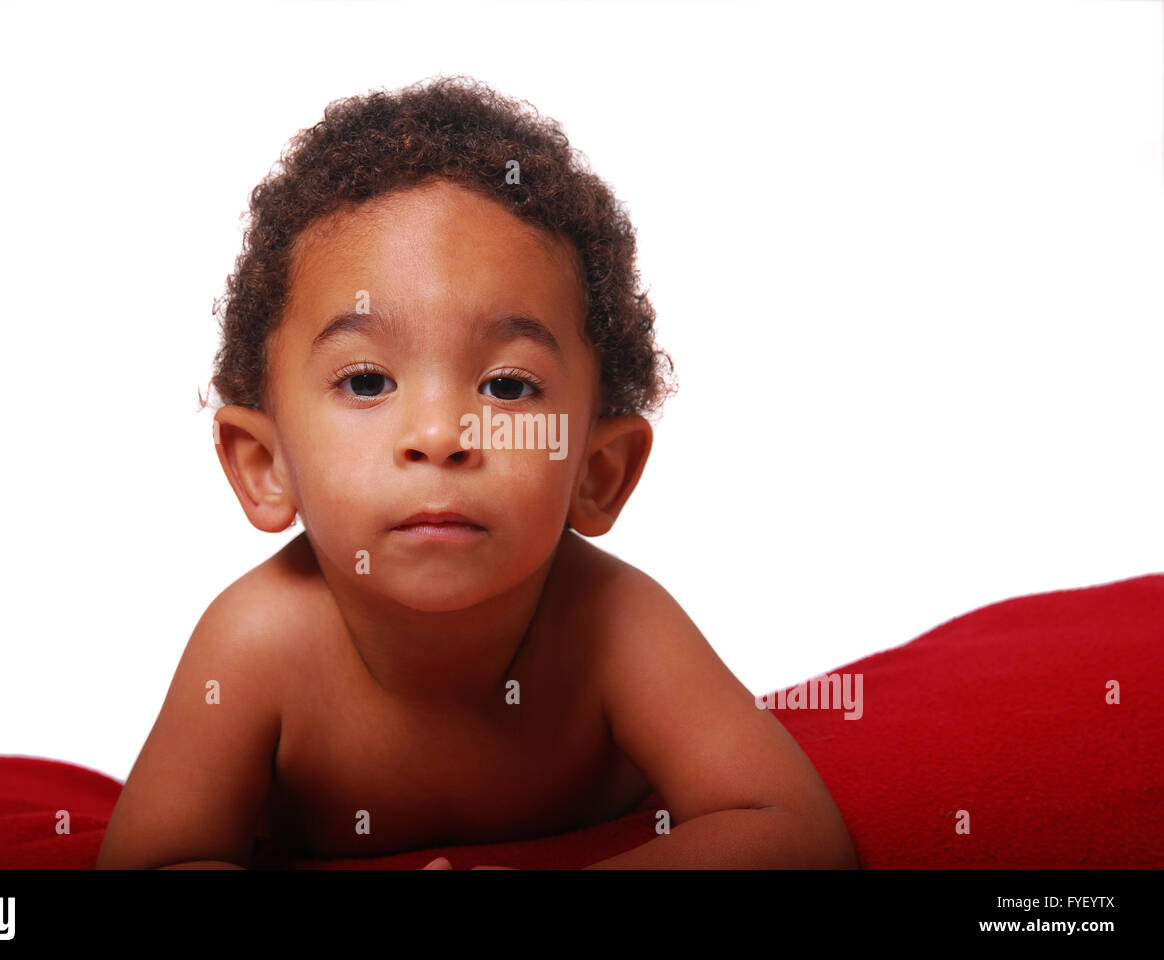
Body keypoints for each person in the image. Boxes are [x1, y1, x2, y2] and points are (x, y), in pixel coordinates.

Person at [96, 76, 856, 870]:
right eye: (366, 382)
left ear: (598, 470)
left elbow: (790, 830)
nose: (440, 436)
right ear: (265, 464)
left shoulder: (616, 626)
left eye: (506, 387)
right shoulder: (257, 646)